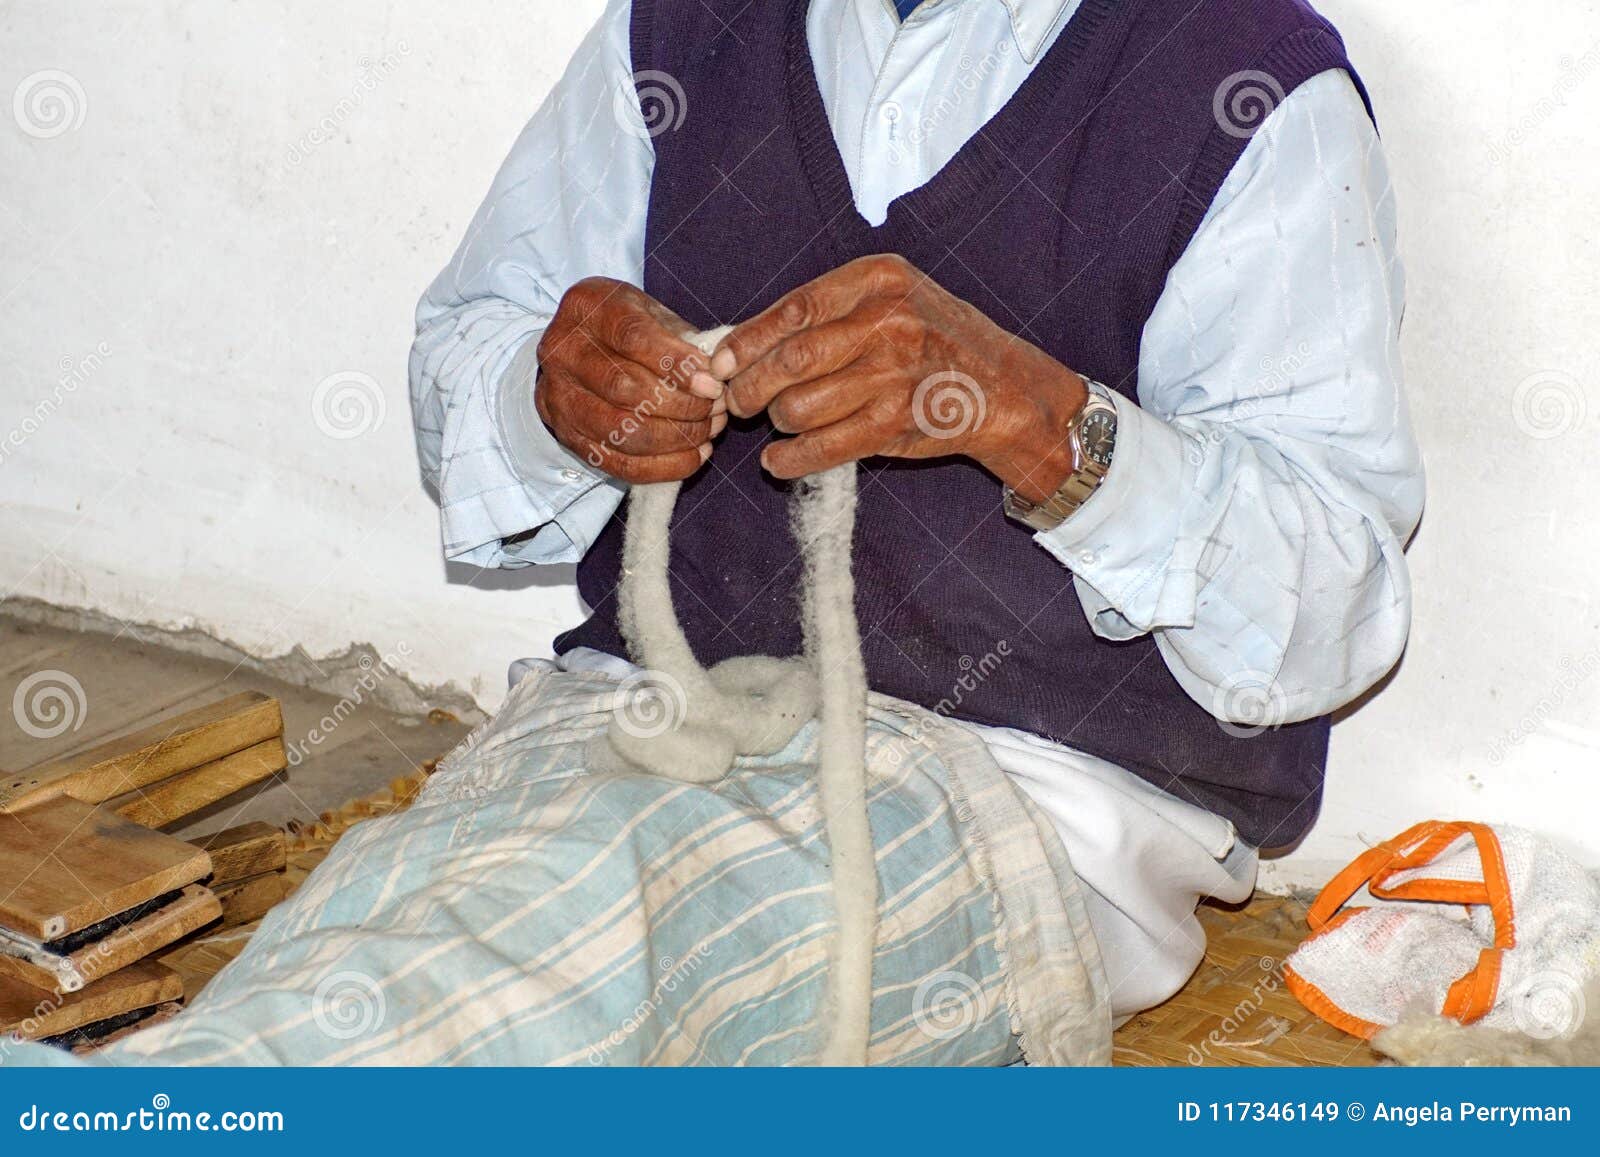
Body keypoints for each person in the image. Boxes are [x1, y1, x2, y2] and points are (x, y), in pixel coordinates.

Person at [410, 0, 1422, 1023]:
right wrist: (552, 397)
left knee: (566, 1013)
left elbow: (1325, 613)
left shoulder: (1240, 73)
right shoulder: (678, 29)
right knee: (375, 966)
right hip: (649, 714)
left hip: (1026, 797)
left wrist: (1037, 425)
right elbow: (470, 356)